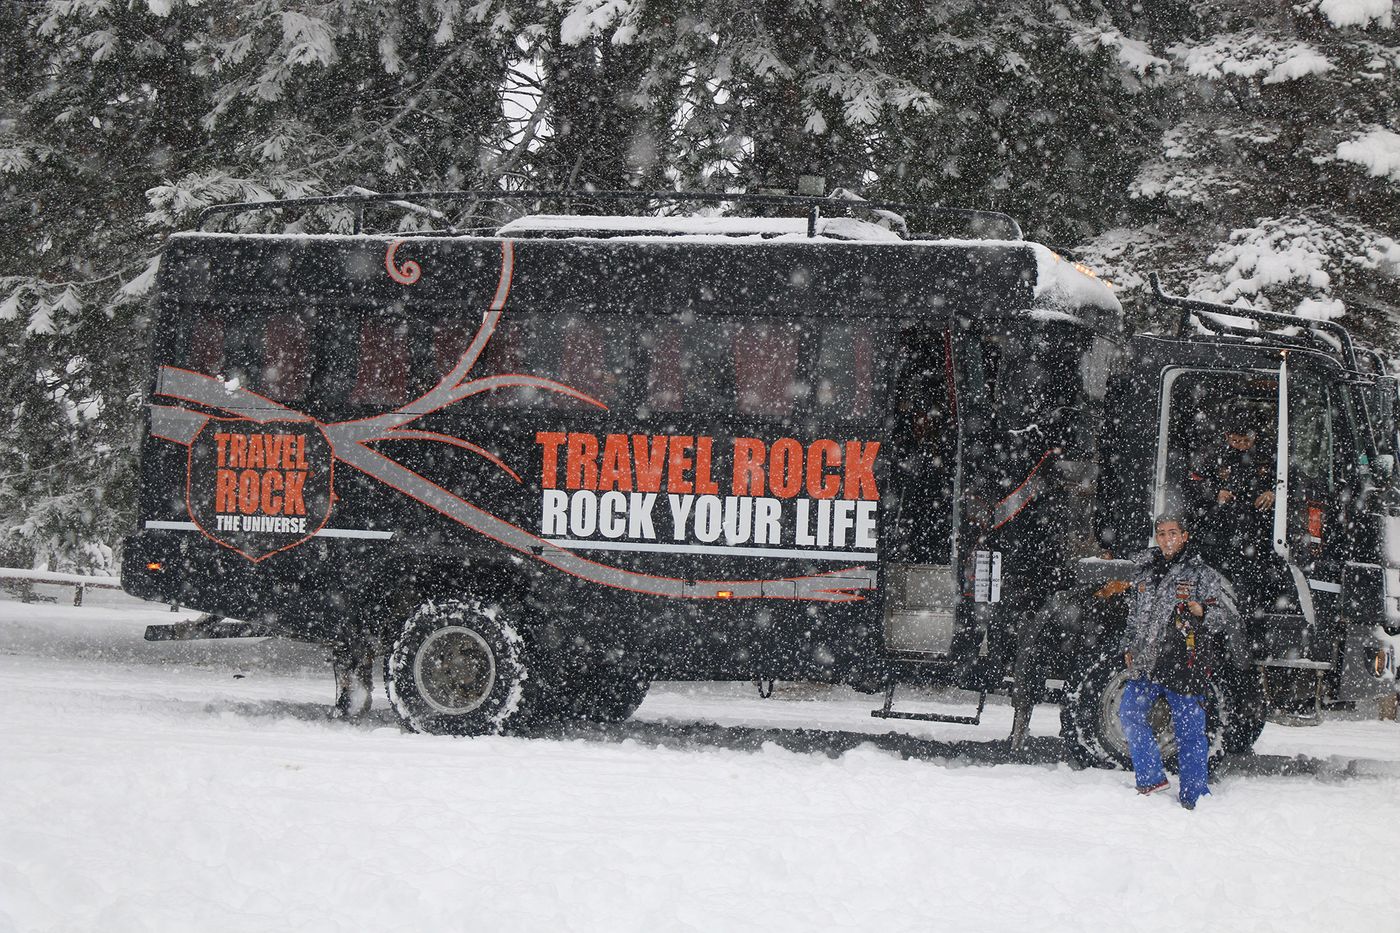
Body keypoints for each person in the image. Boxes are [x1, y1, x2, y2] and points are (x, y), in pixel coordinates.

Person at [1119, 513, 1243, 810]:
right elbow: (1134, 615)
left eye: (1172, 532)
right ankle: (1150, 777)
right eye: (1161, 533)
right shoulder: (1144, 571)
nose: (1166, 539)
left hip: (1182, 663)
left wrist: (1203, 612)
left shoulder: (1202, 574)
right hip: (1146, 661)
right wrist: (1128, 645)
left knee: (1189, 731)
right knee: (1129, 713)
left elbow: (1223, 617)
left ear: (1185, 536)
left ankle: (1194, 794)